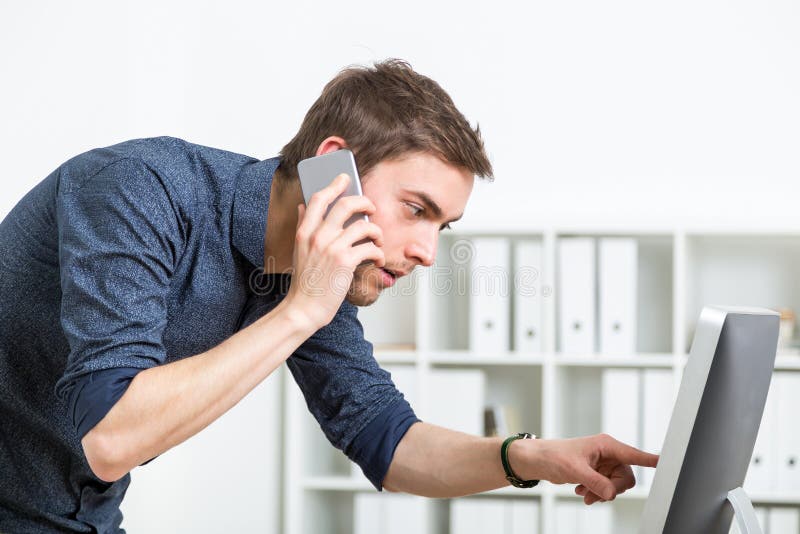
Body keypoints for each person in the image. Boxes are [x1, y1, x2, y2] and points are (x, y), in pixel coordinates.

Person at [0, 59, 657, 533]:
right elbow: (109, 438)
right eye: (415, 208)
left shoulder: (319, 270)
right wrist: (303, 309)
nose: (429, 251)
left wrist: (530, 458)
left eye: (442, 226)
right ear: (333, 170)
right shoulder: (137, 192)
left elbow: (388, 441)